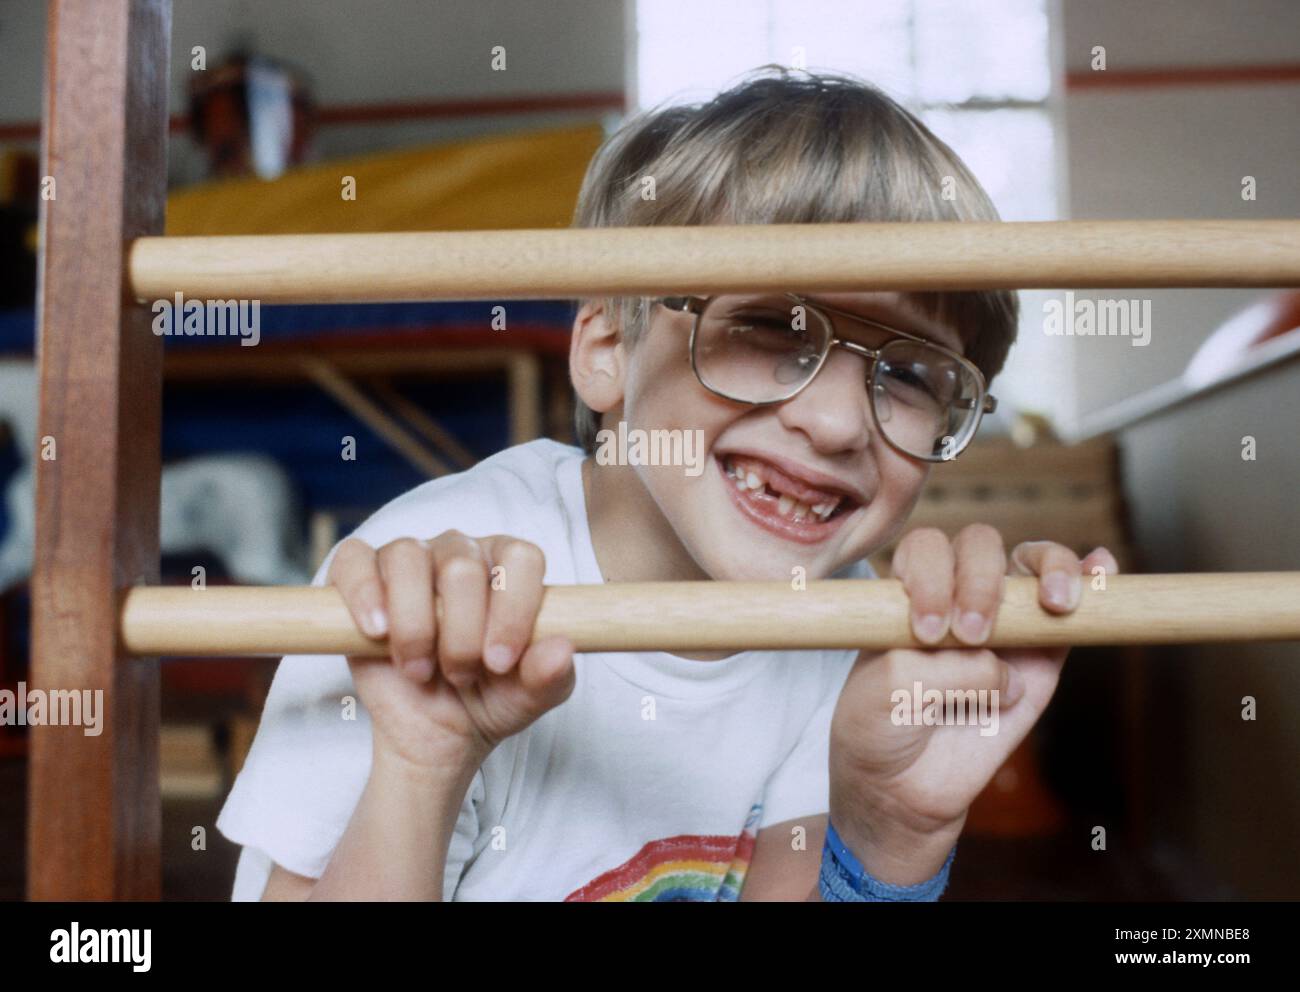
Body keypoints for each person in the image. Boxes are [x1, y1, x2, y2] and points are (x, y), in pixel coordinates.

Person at [215, 66, 1118, 901]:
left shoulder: (850, 624)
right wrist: (421, 768)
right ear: (609, 349)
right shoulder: (424, 590)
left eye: (913, 375)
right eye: (771, 328)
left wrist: (888, 833)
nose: (838, 424)